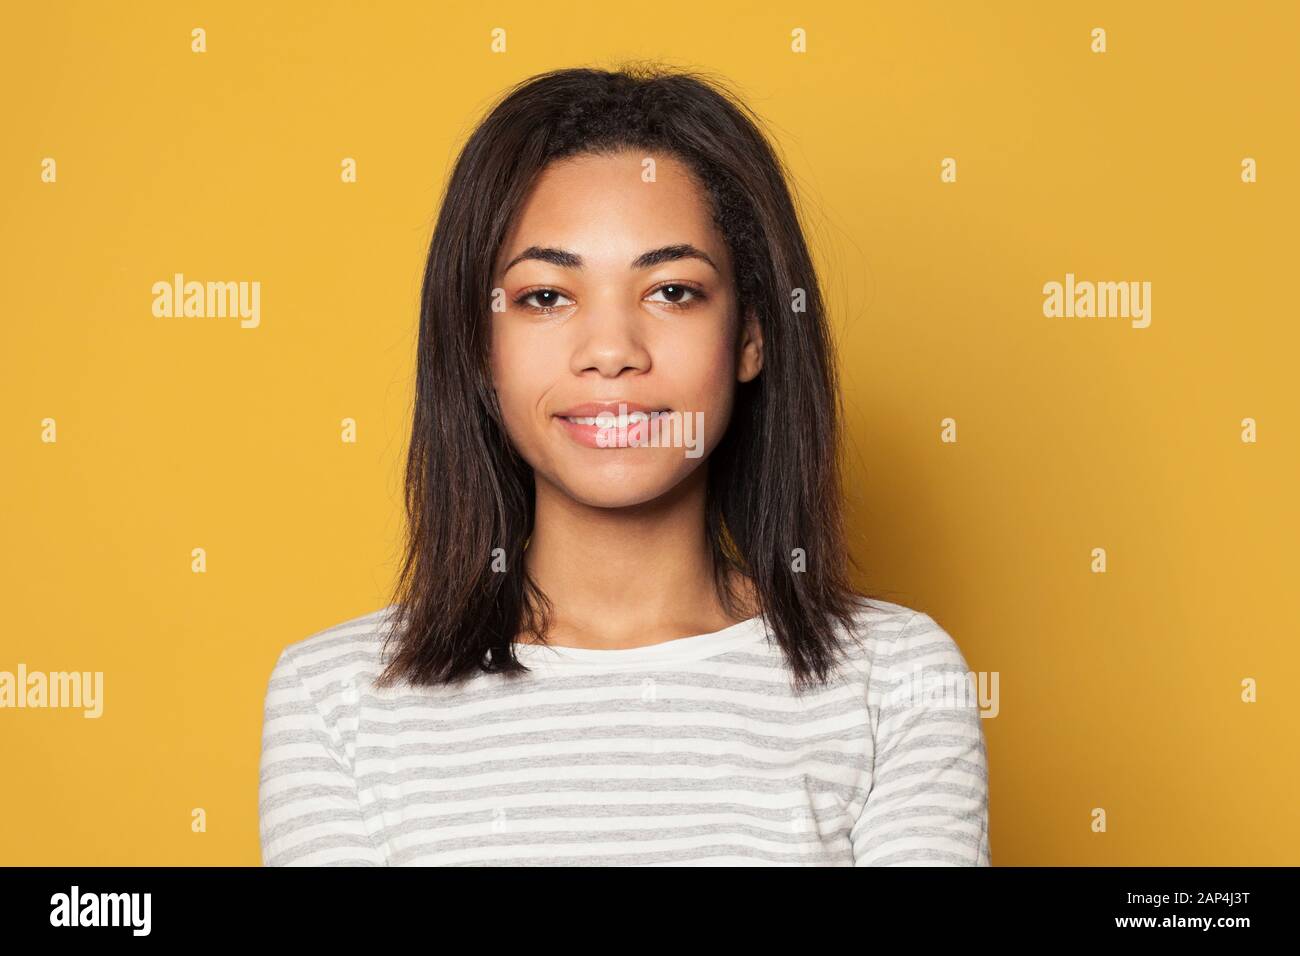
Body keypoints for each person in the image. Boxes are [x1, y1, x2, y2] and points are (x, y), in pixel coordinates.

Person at [258, 64, 990, 866]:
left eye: (672, 291)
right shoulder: (333, 698)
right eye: (545, 296)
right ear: (479, 345)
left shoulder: (896, 680)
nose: (610, 352)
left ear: (751, 337)